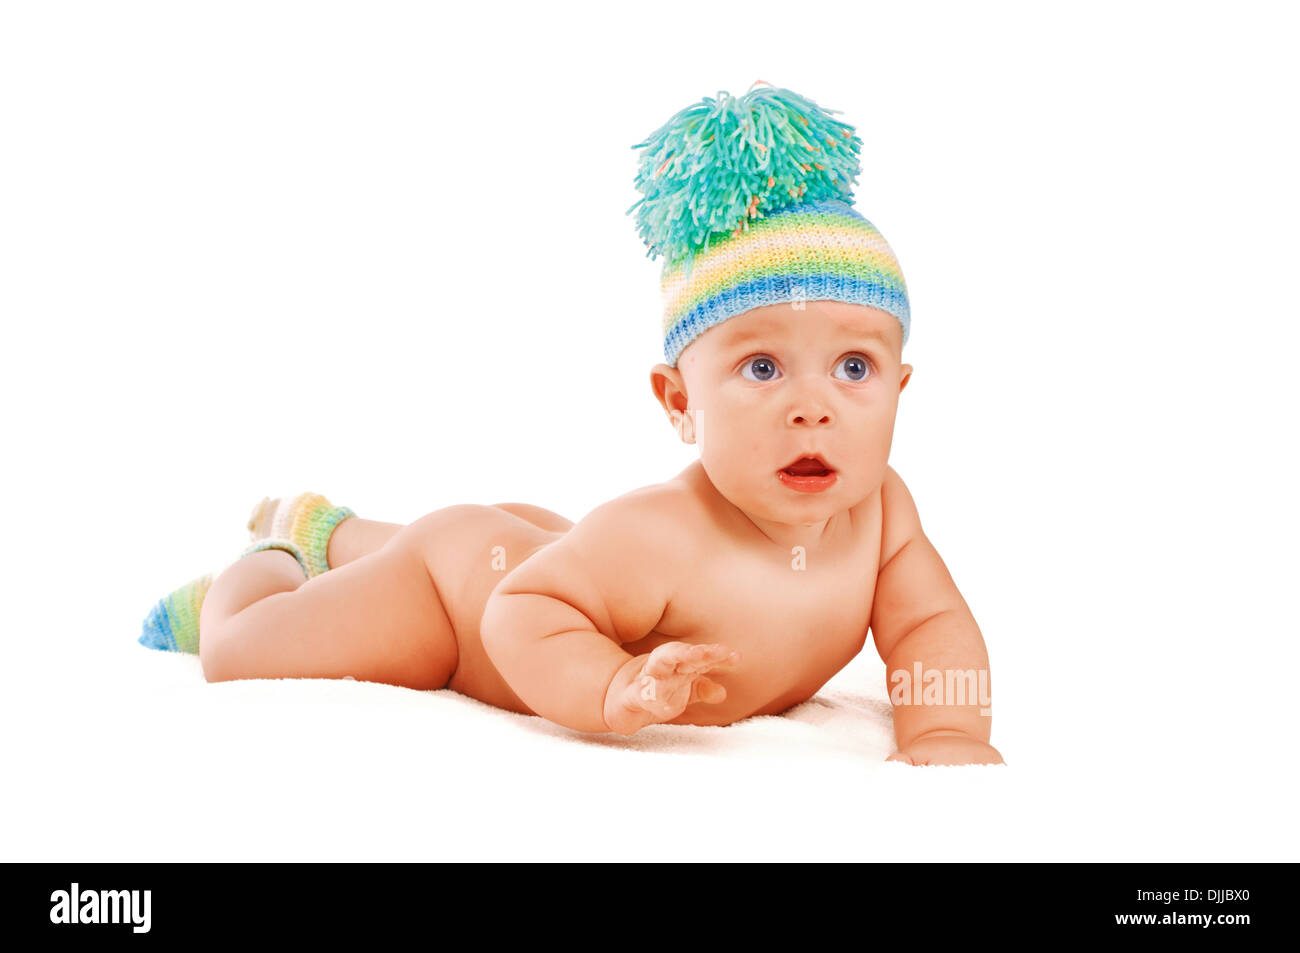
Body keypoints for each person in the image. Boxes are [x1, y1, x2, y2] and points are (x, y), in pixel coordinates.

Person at [140, 82, 1003, 766]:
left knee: (534, 542)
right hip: (453, 603)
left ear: (900, 385)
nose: (811, 405)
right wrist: (610, 684)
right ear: (678, 402)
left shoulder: (883, 513)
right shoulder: (662, 531)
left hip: (541, 546)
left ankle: (333, 526)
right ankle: (261, 566)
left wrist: (946, 730)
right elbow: (521, 607)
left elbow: (932, 626)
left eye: (854, 368)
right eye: (761, 368)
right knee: (245, 653)